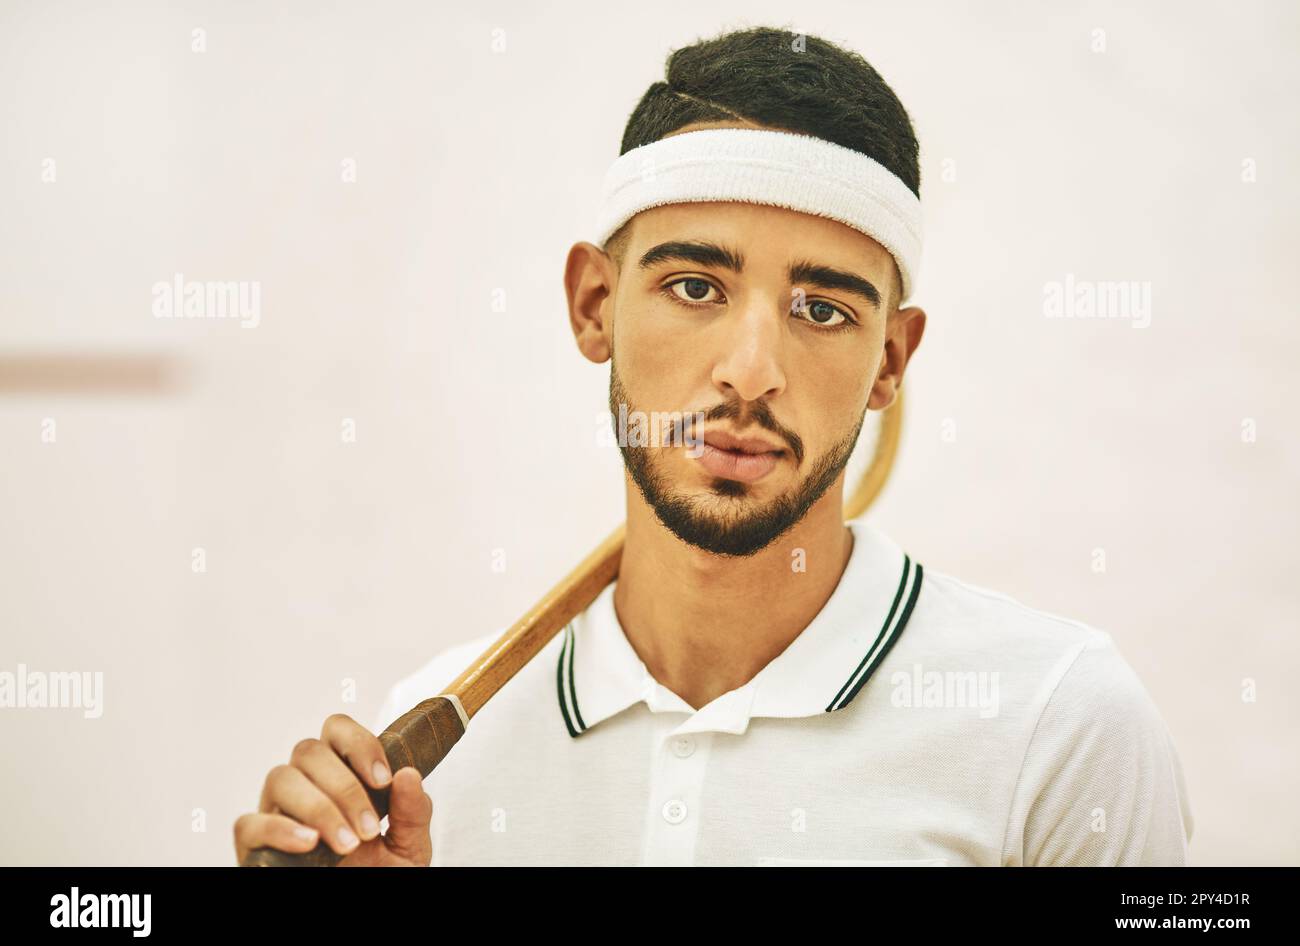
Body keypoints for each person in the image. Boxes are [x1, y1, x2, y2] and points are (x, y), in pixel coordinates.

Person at [234, 25, 1193, 867]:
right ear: (594, 305)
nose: (750, 370)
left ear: (891, 359)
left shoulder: (1059, 726)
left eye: (823, 308)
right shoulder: (424, 777)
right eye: (696, 286)